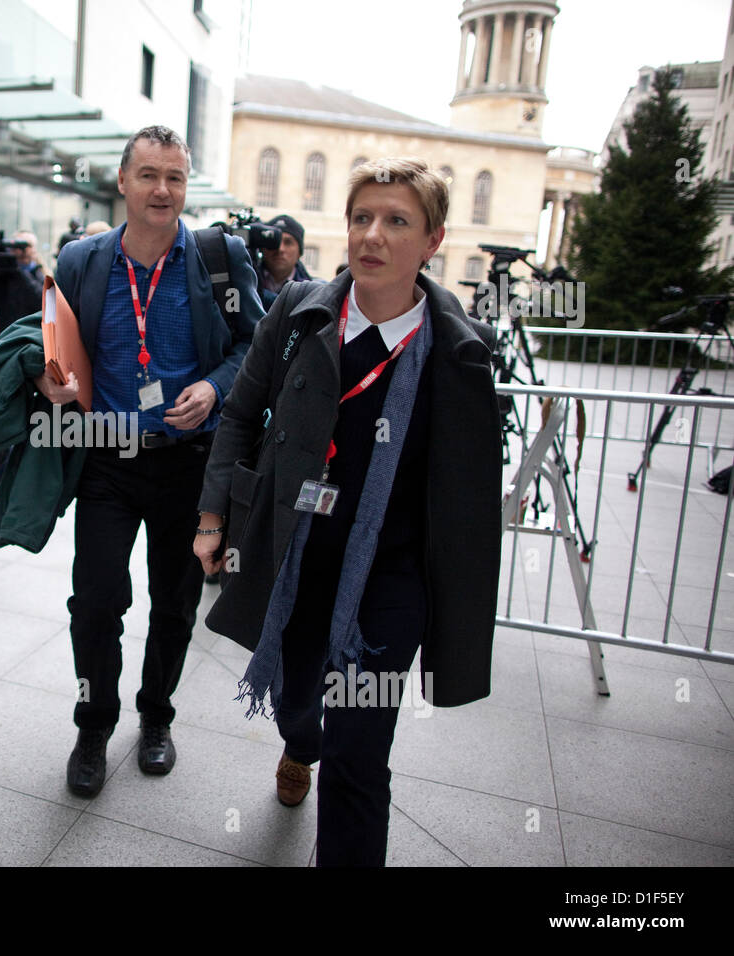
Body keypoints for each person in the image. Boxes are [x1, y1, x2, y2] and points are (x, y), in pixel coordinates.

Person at [194, 158, 502, 866]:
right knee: (302, 706)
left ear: (433, 241)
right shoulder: (301, 314)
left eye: (397, 221)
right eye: (363, 216)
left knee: (361, 759)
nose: (373, 234)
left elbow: (471, 500)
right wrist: (213, 519)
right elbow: (239, 416)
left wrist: (455, 606)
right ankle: (300, 743)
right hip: (295, 558)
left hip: (391, 584)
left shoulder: (461, 353)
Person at [36, 125, 264, 797]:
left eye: (174, 177)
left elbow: (256, 342)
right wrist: (51, 383)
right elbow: (50, 344)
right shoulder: (82, 261)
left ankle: (156, 717)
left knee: (175, 604)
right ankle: (93, 725)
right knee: (96, 603)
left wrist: (214, 386)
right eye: (148, 175)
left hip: (188, 465)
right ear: (123, 182)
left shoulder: (219, 257)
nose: (162, 190)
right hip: (108, 460)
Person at [255, 212, 312, 309]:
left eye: (288, 242)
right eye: (273, 242)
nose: (280, 249)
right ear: (262, 248)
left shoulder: (312, 293)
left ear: (300, 252)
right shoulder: (248, 282)